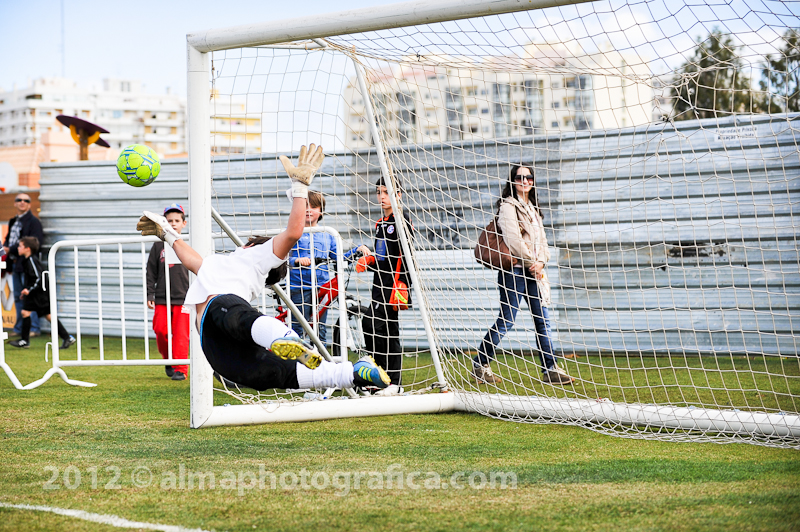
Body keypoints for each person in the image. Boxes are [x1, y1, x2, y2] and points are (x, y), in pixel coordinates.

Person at [136, 144, 390, 392]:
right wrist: (168, 234)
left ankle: (284, 337)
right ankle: (352, 373)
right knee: (267, 375)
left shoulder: (259, 256)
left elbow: (293, 233)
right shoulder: (219, 264)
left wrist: (300, 187)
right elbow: (190, 258)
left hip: (223, 312)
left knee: (235, 317)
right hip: (213, 342)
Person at [473, 165, 573, 385]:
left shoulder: (533, 209)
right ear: (512, 180)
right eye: (520, 177)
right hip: (514, 272)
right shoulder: (508, 207)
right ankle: (480, 364)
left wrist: (541, 262)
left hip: (533, 271)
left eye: (529, 177)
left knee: (543, 320)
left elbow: (544, 243)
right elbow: (513, 241)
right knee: (507, 320)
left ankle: (551, 369)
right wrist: (531, 262)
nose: (525, 180)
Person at [287, 190, 369, 344]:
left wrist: (356, 250)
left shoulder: (327, 234)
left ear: (321, 211)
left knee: (319, 329)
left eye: (314, 207)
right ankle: (295, 364)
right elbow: (284, 258)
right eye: (305, 206)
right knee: (298, 328)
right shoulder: (293, 232)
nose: (309, 210)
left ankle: (321, 363)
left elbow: (338, 258)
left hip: (321, 287)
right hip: (299, 287)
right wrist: (297, 260)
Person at [356, 177, 413, 395]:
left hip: (393, 285)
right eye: (379, 192)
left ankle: (392, 383)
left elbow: (399, 257)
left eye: (386, 192)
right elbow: (382, 256)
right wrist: (369, 257)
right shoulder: (381, 223)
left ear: (398, 195)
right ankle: (380, 378)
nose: (381, 196)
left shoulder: (401, 220)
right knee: (374, 326)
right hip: (379, 283)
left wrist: (402, 283)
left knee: (382, 329)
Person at [146, 203, 190, 381]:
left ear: (183, 223)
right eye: (168, 221)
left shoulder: (189, 243)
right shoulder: (158, 246)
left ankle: (180, 369)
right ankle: (169, 360)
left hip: (184, 298)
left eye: (176, 220)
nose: (173, 224)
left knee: (181, 334)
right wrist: (150, 294)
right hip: (162, 297)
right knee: (161, 330)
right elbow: (150, 271)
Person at [8, 237, 76, 350]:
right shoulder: (27, 260)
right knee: (46, 315)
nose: (18, 248)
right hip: (38, 293)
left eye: (20, 246)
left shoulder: (31, 261)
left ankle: (25, 341)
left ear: (27, 249)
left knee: (27, 312)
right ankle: (67, 337)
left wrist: (28, 289)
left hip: (38, 294)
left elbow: (38, 277)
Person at [3, 193, 44, 337]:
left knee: (29, 296)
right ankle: (20, 329)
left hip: (26, 265)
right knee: (17, 297)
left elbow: (35, 244)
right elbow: (8, 239)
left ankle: (34, 328)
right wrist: (6, 251)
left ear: (29, 204)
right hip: (14, 264)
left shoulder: (33, 222)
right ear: (14, 203)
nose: (22, 202)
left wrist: (11, 249)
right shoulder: (13, 220)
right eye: (19, 200)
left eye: (25, 200)